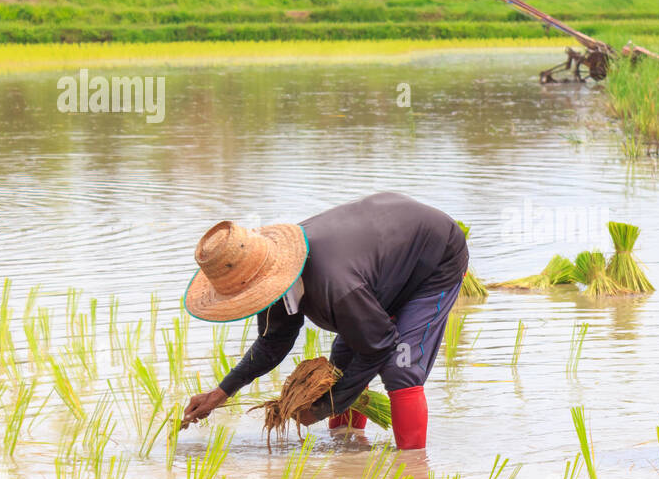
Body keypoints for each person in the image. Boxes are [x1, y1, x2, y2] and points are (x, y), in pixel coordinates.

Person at [181, 192, 468, 450]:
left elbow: (379, 346)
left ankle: (412, 472)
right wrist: (221, 392)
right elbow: (273, 342)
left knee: (400, 368)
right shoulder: (271, 273)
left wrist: (323, 408)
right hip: (379, 258)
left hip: (435, 256)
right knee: (342, 359)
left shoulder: (337, 288)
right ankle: (349, 448)